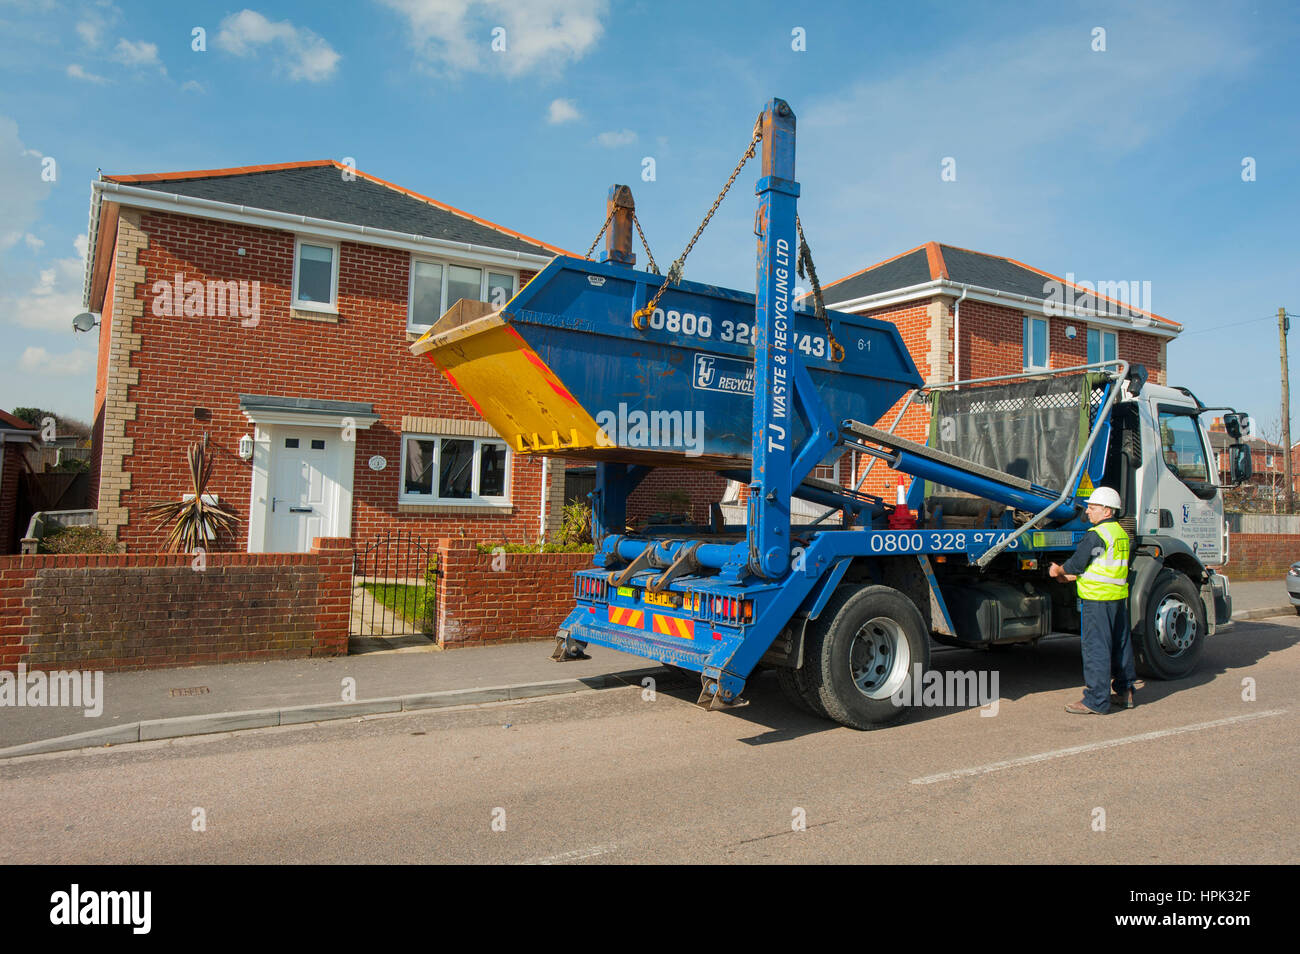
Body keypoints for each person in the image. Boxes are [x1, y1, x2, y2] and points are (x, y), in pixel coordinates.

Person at [1049, 486, 1137, 714]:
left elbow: (1077, 564)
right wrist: (1072, 574)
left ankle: (1096, 701)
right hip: (1116, 598)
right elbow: (1099, 564)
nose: (1088, 511)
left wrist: (1058, 570)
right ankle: (1125, 691)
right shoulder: (1120, 534)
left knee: (1096, 649)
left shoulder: (1096, 534)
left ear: (1107, 511)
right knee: (1120, 645)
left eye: (1093, 507)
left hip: (1097, 600)